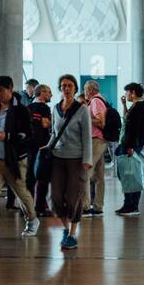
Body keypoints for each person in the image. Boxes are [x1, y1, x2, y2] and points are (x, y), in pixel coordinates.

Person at [0, 75, 39, 240]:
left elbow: (29, 135)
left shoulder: (21, 110)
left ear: (10, 89)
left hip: (14, 160)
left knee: (21, 192)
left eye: (1, 90)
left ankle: (32, 220)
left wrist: (8, 136)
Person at [47, 74, 93, 251]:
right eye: (63, 85)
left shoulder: (82, 109)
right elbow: (53, 132)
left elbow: (86, 137)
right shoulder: (55, 108)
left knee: (74, 198)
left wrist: (87, 160)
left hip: (76, 159)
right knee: (56, 197)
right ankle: (66, 229)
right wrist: (49, 146)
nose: (66, 88)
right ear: (60, 88)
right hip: (58, 157)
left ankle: (73, 233)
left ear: (75, 88)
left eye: (70, 85)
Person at [115, 83, 144, 217]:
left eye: (127, 92)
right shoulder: (136, 106)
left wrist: (130, 147)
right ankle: (128, 204)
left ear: (133, 92)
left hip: (131, 146)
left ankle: (132, 205)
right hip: (131, 145)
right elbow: (127, 121)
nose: (126, 95)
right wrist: (124, 105)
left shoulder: (139, 108)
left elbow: (135, 129)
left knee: (132, 175)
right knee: (129, 174)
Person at [82, 79, 109, 217]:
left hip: (95, 140)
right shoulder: (100, 100)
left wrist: (86, 117)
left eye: (85, 89)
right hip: (100, 140)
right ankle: (98, 206)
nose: (84, 92)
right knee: (98, 176)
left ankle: (85, 207)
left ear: (91, 90)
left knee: (85, 172)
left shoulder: (95, 101)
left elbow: (101, 122)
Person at [27, 84, 53, 215]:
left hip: (29, 146)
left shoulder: (28, 107)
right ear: (42, 93)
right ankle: (40, 207)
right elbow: (46, 124)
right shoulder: (44, 108)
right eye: (49, 92)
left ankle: (27, 207)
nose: (51, 95)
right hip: (42, 146)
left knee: (30, 176)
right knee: (42, 177)